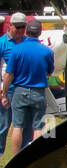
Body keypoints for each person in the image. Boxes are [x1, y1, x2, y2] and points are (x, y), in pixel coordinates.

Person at [1, 16, 55, 156]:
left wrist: (4, 93)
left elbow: (9, 74)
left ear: (27, 31)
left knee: (17, 126)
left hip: (20, 91)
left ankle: (15, 157)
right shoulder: (47, 51)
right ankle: (34, 156)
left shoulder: (17, 50)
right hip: (38, 92)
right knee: (37, 127)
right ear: (39, 33)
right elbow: (50, 72)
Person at [0, 12, 25, 145]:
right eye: (18, 27)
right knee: (3, 125)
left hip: (24, 90)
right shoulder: (2, 43)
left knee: (23, 126)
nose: (21, 30)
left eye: (23, 27)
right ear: (10, 26)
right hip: (7, 90)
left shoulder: (27, 41)